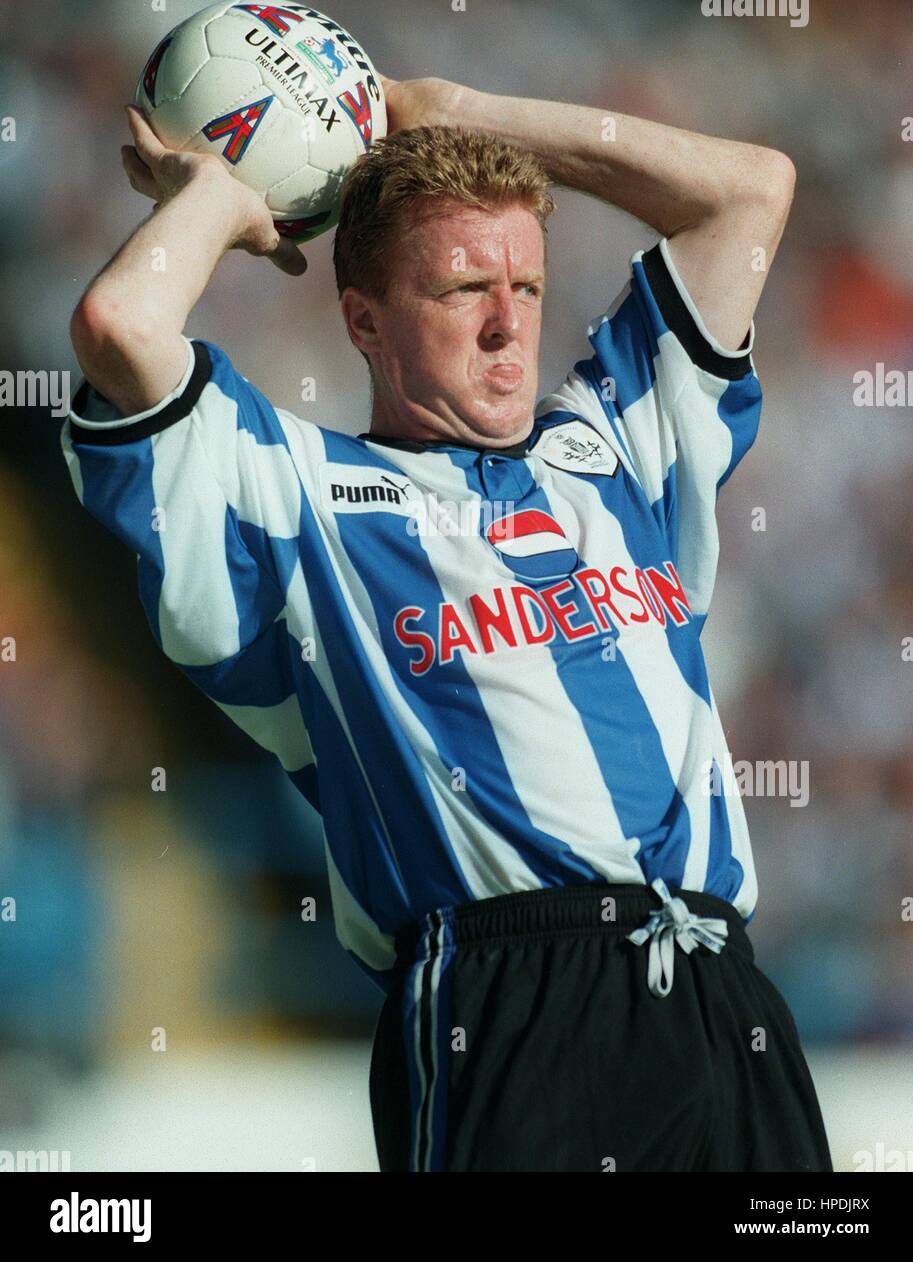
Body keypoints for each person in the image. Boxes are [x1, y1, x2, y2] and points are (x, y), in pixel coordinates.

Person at [62, 73, 832, 1173]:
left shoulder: (616, 439)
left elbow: (749, 193)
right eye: (463, 285)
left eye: (525, 281)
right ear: (365, 320)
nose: (506, 319)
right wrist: (213, 193)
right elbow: (119, 323)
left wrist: (451, 107)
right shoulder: (298, 495)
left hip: (718, 983)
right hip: (504, 996)